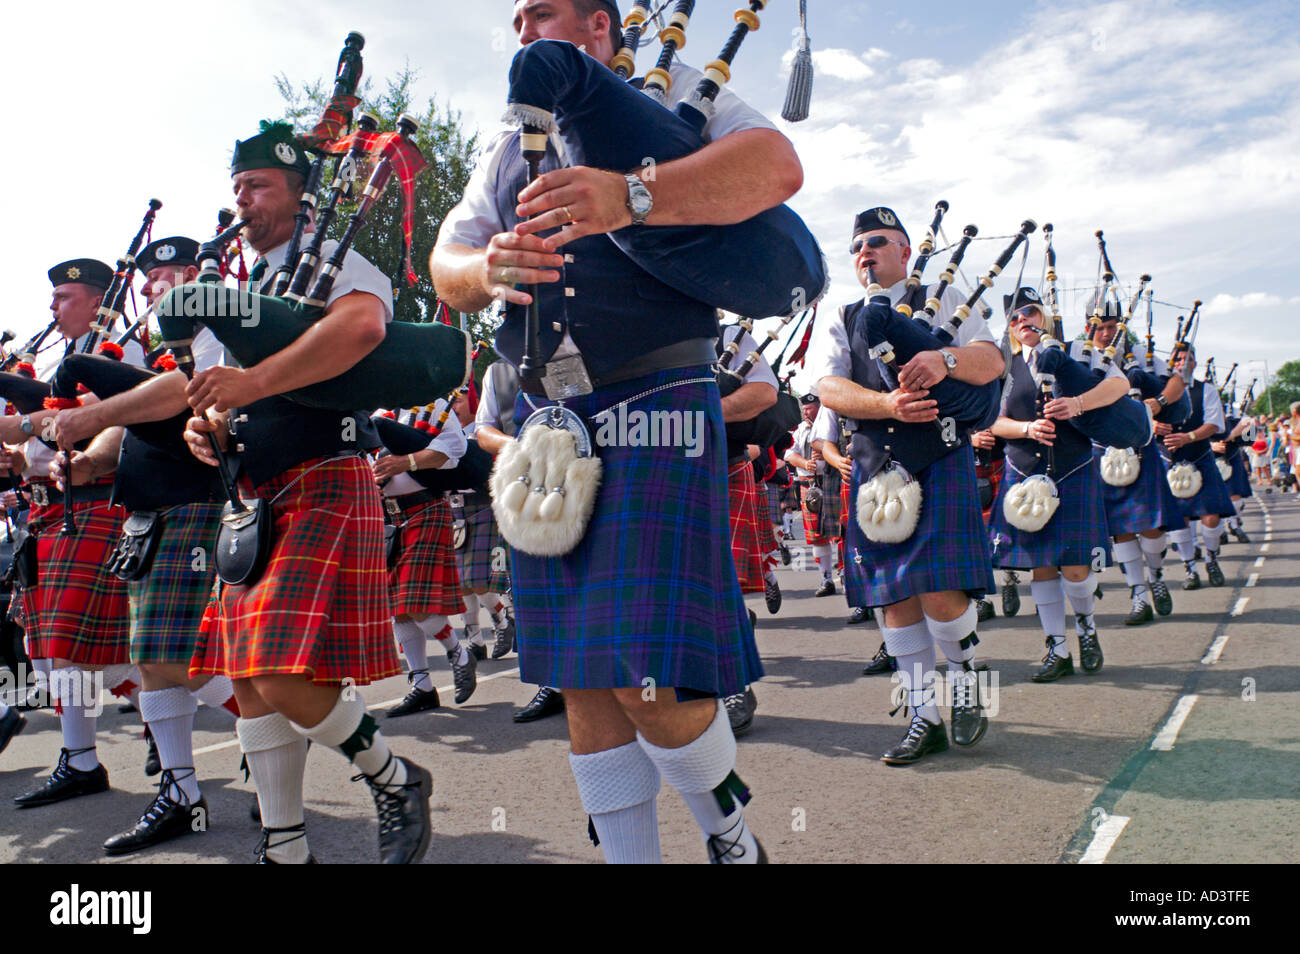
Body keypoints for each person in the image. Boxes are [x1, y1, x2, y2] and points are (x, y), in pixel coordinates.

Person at [430, 0, 799, 862]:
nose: (523, 30)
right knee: (586, 680)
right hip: (547, 419)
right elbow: (448, 269)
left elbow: (775, 171)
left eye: (543, 13)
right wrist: (485, 268)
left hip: (657, 398)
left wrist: (632, 195)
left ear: (599, 27)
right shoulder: (507, 146)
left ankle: (732, 835)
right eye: (516, 18)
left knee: (649, 679)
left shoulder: (672, 114)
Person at [181, 122, 433, 863]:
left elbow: (360, 330)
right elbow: (224, 398)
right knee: (254, 688)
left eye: (257, 186)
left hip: (324, 474)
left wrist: (253, 382)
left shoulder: (334, 262)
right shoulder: (248, 290)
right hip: (257, 493)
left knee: (283, 676)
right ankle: (285, 850)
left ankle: (393, 777)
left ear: (299, 193)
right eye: (236, 188)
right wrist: (213, 428)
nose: (242, 201)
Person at [47, 236, 242, 853]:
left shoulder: (213, 326)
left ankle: (296, 728)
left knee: (179, 659)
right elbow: (125, 431)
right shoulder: (158, 349)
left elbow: (186, 392)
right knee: (131, 656)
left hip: (195, 499)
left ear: (195, 275)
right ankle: (178, 789)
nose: (155, 284)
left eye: (169, 274)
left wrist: (78, 423)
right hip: (143, 509)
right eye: (150, 275)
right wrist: (81, 461)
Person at [808, 206, 1004, 765]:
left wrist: (945, 359)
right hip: (876, 468)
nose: (865, 253)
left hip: (940, 458)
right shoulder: (841, 315)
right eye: (857, 247)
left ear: (904, 253)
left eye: (877, 243)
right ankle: (924, 715)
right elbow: (828, 387)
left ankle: (965, 675)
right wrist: (886, 403)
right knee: (894, 599)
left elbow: (990, 362)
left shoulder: (945, 304)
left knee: (940, 592)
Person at [8, 258, 146, 810]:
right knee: (49, 653)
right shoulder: (60, 362)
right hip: (51, 513)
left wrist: (33, 431)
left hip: (95, 506)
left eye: (64, 296)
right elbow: (44, 441)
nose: (52, 307)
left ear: (96, 301)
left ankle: (244, 718)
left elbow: (103, 424)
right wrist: (17, 458)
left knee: (85, 651)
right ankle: (90, 757)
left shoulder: (119, 355)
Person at [989, 289, 1127, 681]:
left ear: (1044, 316)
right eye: (1015, 318)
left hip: (1072, 468)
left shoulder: (1077, 351)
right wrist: (1026, 428)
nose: (1023, 322)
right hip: (1023, 474)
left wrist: (1079, 404)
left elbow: (1117, 385)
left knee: (1077, 568)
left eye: (1030, 313)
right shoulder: (1004, 366)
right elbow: (992, 421)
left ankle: (1085, 629)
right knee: (1041, 567)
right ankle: (1056, 647)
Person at [1068, 300, 1181, 625]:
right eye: (1099, 327)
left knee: (1149, 526)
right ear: (1089, 327)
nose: (1105, 333)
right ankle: (1139, 595)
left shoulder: (1140, 354)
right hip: (1100, 452)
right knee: (1120, 529)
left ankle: (1156, 576)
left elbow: (1176, 382)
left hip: (1139, 447)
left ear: (1121, 326)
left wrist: (1157, 404)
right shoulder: (1081, 354)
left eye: (1111, 326)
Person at [474, 355, 563, 723]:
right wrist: (520, 448)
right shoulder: (498, 372)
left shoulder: (586, 345)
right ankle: (552, 683)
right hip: (526, 488)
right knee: (537, 592)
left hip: (587, 478)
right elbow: (483, 431)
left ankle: (612, 675)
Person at [375, 400, 477, 717]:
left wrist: (406, 462)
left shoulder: (436, 408)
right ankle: (422, 687)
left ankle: (459, 654)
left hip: (426, 510)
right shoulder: (378, 416)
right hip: (388, 518)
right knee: (399, 611)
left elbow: (453, 450)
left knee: (415, 606)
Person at [717, 320, 779, 736]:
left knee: (720, 584)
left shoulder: (723, 336)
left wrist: (701, 410)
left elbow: (764, 392)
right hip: (654, 469)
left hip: (722, 466)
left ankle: (734, 684)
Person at [1162, 347, 1235, 589]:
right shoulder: (1160, 391)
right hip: (1170, 462)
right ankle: (1189, 568)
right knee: (1179, 519)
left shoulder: (1206, 390)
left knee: (1211, 517)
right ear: (1171, 363)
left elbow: (1214, 424)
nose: (1183, 363)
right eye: (1179, 359)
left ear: (1195, 364)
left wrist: (1188, 437)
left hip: (1200, 457)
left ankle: (1211, 558)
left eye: (1188, 359)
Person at [785, 393, 837, 596]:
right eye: (804, 409)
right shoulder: (800, 430)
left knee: (840, 532)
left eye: (810, 408)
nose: (806, 412)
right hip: (810, 485)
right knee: (817, 535)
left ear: (819, 407)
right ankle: (826, 579)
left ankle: (845, 572)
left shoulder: (832, 423)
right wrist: (805, 463)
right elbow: (789, 454)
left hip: (833, 480)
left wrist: (826, 453)